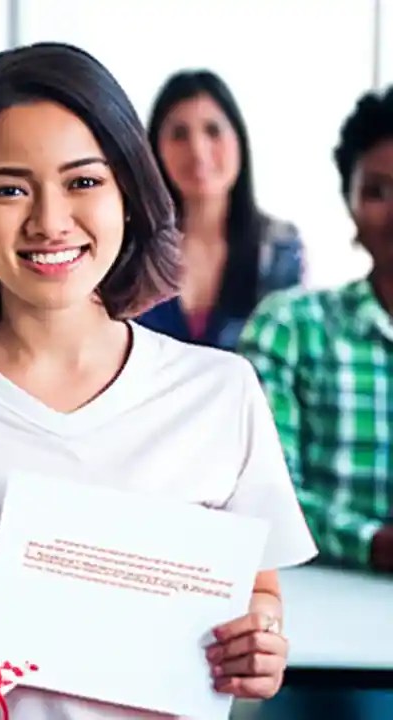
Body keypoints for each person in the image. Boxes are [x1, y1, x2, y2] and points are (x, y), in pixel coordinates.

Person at [0, 43, 318, 719]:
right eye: (10, 189)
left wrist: (263, 642)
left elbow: (259, 594)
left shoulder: (221, 394)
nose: (49, 221)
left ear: (128, 191)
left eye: (83, 182)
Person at [238, 85, 393, 720]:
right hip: (324, 646)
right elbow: (266, 493)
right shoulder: (292, 327)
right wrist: (378, 543)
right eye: (378, 190)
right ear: (350, 205)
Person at [136, 70, 305, 348]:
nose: (198, 151)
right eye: (179, 134)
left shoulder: (278, 248)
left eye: (213, 131)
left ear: (239, 139)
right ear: (154, 147)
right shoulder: (133, 250)